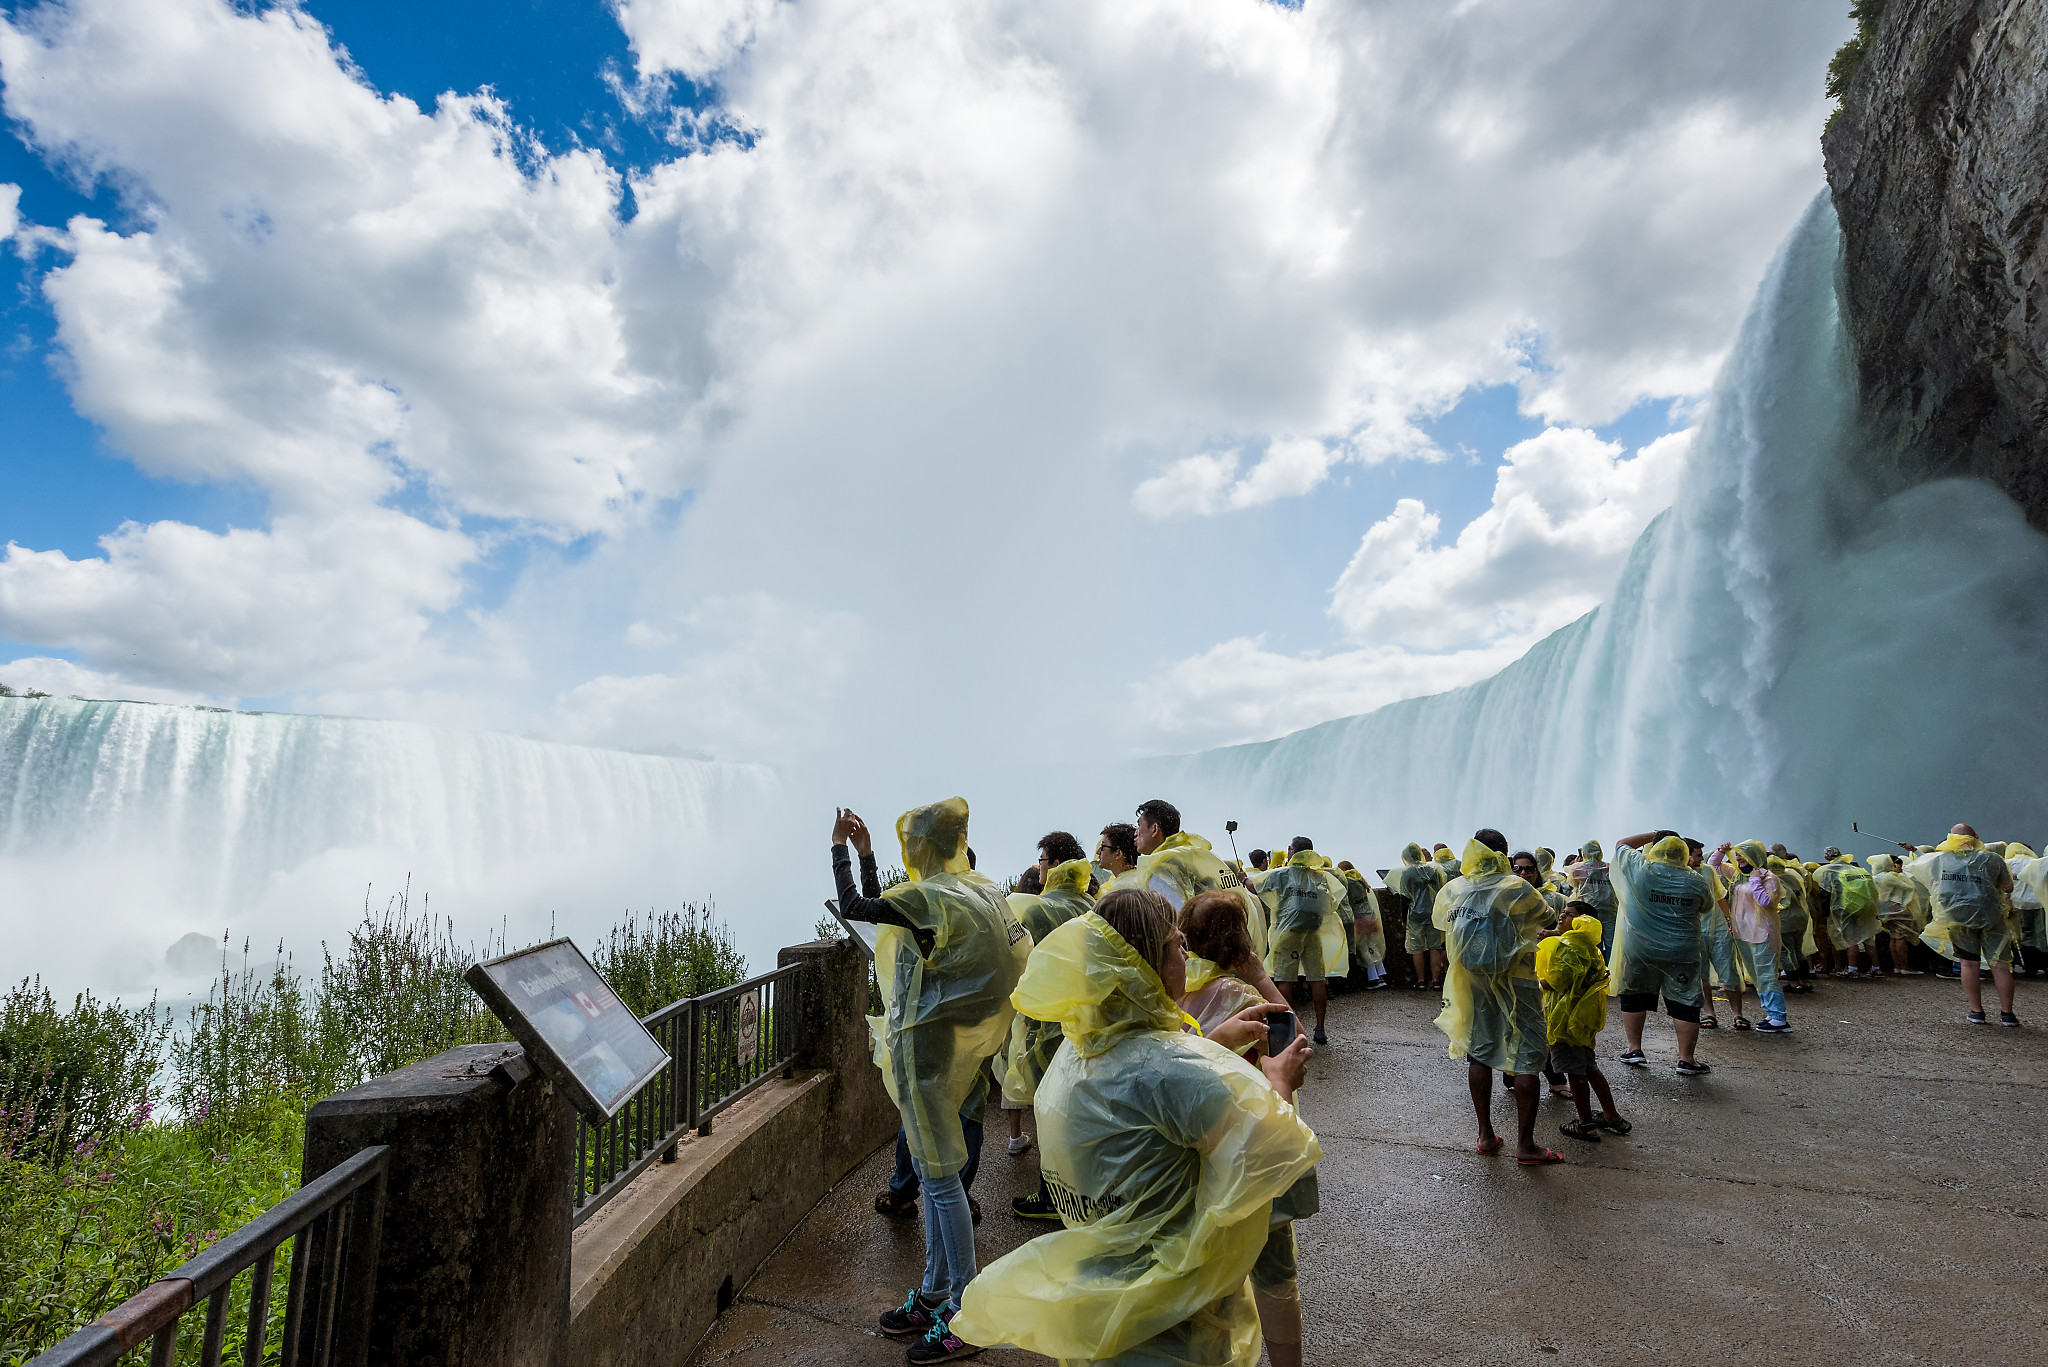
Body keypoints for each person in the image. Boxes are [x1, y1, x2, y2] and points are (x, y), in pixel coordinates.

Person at [952, 891, 1319, 1367]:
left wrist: (1212, 1044)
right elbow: (1271, 1161)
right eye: (1175, 945)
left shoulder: (1075, 1052)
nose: (1186, 954)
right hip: (1171, 1318)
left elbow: (1145, 1109)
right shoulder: (1176, 1069)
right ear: (1141, 964)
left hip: (1100, 1302)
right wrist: (1276, 1084)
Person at [831, 800, 1031, 1362]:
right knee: (931, 1169)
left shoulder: (933, 894)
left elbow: (856, 908)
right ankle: (935, 1292)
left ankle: (966, 1313)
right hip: (965, 1049)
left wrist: (841, 850)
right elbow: (887, 915)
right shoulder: (984, 890)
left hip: (926, 1048)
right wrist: (870, 857)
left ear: (918, 846)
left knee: (940, 1182)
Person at [1433, 830, 1560, 1165]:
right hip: (1517, 980)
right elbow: (1548, 917)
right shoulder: (1516, 887)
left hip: (1473, 981)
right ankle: (1526, 1146)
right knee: (1528, 1056)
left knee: (1479, 1052)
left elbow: (1444, 928)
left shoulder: (1455, 888)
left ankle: (1486, 1135)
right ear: (1503, 854)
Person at [1004, 853, 1098, 1218]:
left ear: (1054, 863)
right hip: (1086, 1022)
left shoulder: (1037, 909)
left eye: (1042, 858)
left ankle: (1052, 1195)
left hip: (1047, 1026)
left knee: (1050, 1109)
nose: (1038, 865)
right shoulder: (1095, 903)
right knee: (1077, 1108)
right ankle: (1079, 1190)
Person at [1610, 831, 1716, 1074]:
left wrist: (1654, 833)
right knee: (1686, 1000)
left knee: (1634, 994)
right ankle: (1686, 1059)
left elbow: (1621, 844)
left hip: (1641, 948)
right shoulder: (1696, 880)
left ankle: (1634, 1049)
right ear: (1684, 855)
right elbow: (1706, 906)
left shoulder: (1640, 870)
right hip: (1682, 950)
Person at [1907, 824, 2020, 1025]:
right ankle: (2007, 1015)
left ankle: (1977, 1012)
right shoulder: (1993, 859)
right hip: (1991, 916)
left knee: (1968, 963)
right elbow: (2008, 887)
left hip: (1957, 918)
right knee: (2001, 966)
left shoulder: (1941, 860)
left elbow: (1931, 879)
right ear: (1976, 836)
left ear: (1950, 838)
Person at [1537, 904, 1629, 1144]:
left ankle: (1586, 1124)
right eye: (1564, 912)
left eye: (1570, 915)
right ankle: (1611, 1116)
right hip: (1582, 1020)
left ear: (1582, 922)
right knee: (1589, 1067)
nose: (1562, 916)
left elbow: (1556, 980)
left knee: (1575, 1071)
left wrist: (1535, 983)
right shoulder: (1590, 946)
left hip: (1565, 1020)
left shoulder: (1569, 947)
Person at [1259, 837, 1348, 1044]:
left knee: (1284, 980)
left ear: (1293, 851)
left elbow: (1257, 887)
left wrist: (1244, 879)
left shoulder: (1283, 874)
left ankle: (1289, 1030)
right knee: (1317, 979)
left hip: (1289, 933)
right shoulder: (1319, 877)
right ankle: (1320, 1029)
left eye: (1289, 848)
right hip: (1312, 932)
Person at [1706, 841, 1790, 1033]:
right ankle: (1770, 1013)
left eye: (1743, 855)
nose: (1739, 858)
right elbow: (1714, 866)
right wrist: (1721, 851)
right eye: (1738, 855)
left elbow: (1766, 901)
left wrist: (1755, 880)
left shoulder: (1768, 877)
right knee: (1756, 974)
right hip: (1743, 933)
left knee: (1767, 974)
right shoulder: (1737, 874)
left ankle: (1779, 1017)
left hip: (1762, 932)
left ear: (1755, 856)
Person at [1813, 847, 1882, 978]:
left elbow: (1826, 893)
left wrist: (1825, 911)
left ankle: (1852, 969)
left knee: (1851, 940)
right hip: (1866, 907)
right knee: (1868, 938)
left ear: (1827, 858)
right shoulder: (1857, 869)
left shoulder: (1831, 871)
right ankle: (1876, 968)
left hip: (1846, 908)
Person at [1389, 842, 1448, 992]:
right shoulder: (1434, 870)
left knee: (1417, 949)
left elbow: (1404, 899)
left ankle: (1421, 981)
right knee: (1435, 947)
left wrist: (1403, 919)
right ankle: (1436, 981)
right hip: (1433, 913)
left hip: (1416, 915)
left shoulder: (1407, 874)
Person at [1868, 853, 1930, 977]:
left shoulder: (1875, 877)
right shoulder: (1891, 876)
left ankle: (1897, 966)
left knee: (1893, 937)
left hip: (1884, 910)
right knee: (1901, 937)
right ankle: (1905, 967)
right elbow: (1909, 887)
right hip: (1897, 909)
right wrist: (1900, 875)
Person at [1336, 860, 1388, 990]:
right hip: (1370, 915)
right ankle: (1381, 975)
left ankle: (1373, 979)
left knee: (1363, 949)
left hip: (1359, 918)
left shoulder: (1348, 882)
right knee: (1372, 947)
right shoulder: (1359, 880)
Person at [1566, 839, 1619, 959]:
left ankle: (1597, 969)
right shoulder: (1609, 868)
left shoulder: (1578, 869)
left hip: (1590, 911)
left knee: (1594, 942)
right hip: (1609, 910)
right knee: (1611, 943)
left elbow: (1573, 886)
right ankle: (1612, 970)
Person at [1094, 822, 1139, 893]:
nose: (1098, 852)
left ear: (1118, 854)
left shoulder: (1122, 888)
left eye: (1103, 846)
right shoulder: (1138, 877)